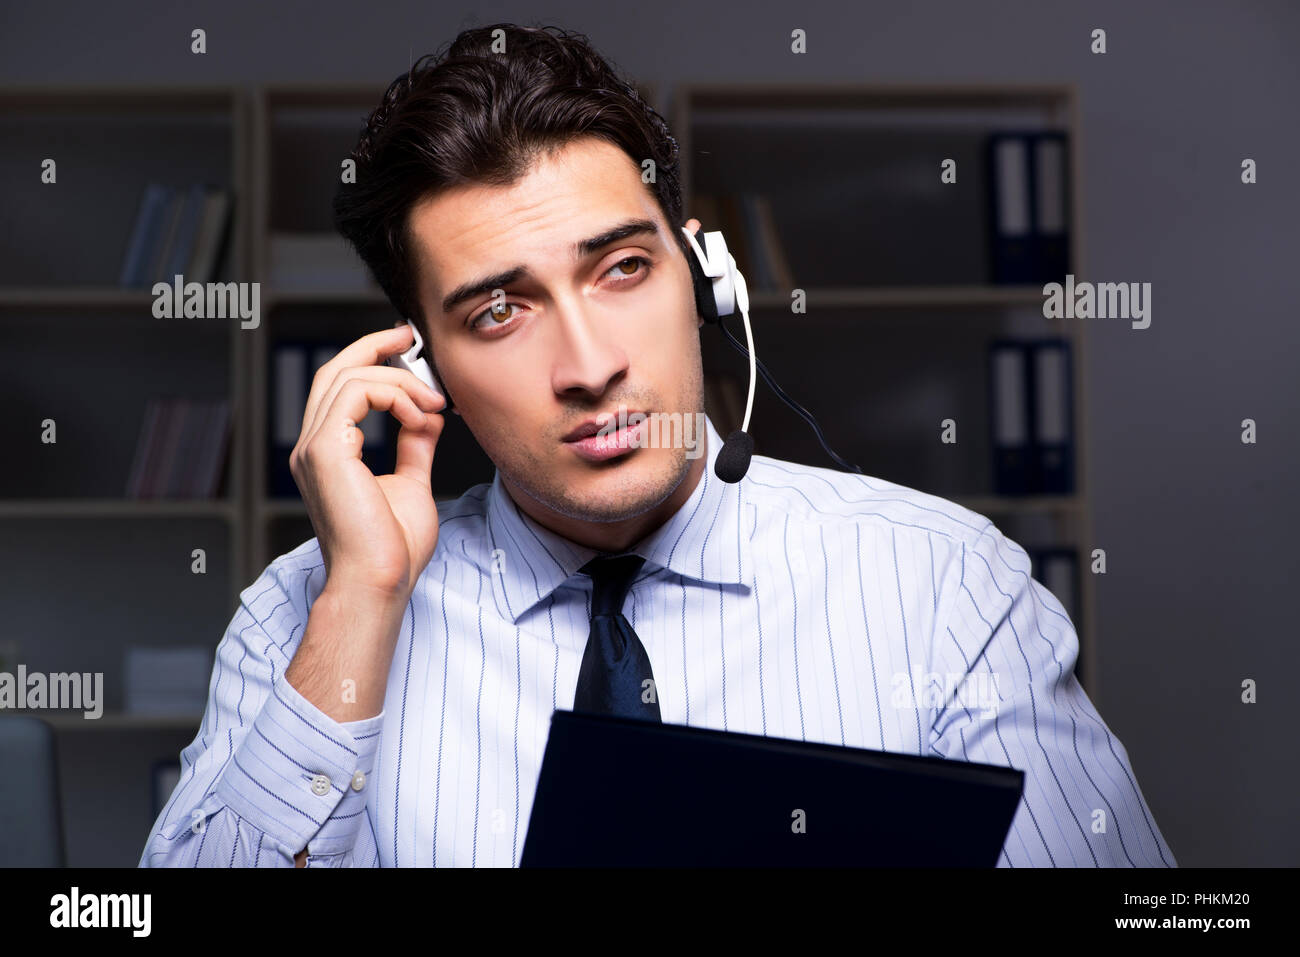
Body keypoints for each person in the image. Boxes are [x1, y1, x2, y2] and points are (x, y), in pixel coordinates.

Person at [140, 22, 1174, 868]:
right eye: (499, 311)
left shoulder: (947, 589)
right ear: (424, 367)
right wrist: (361, 601)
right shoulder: (304, 615)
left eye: (621, 269)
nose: (587, 365)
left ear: (706, 279)